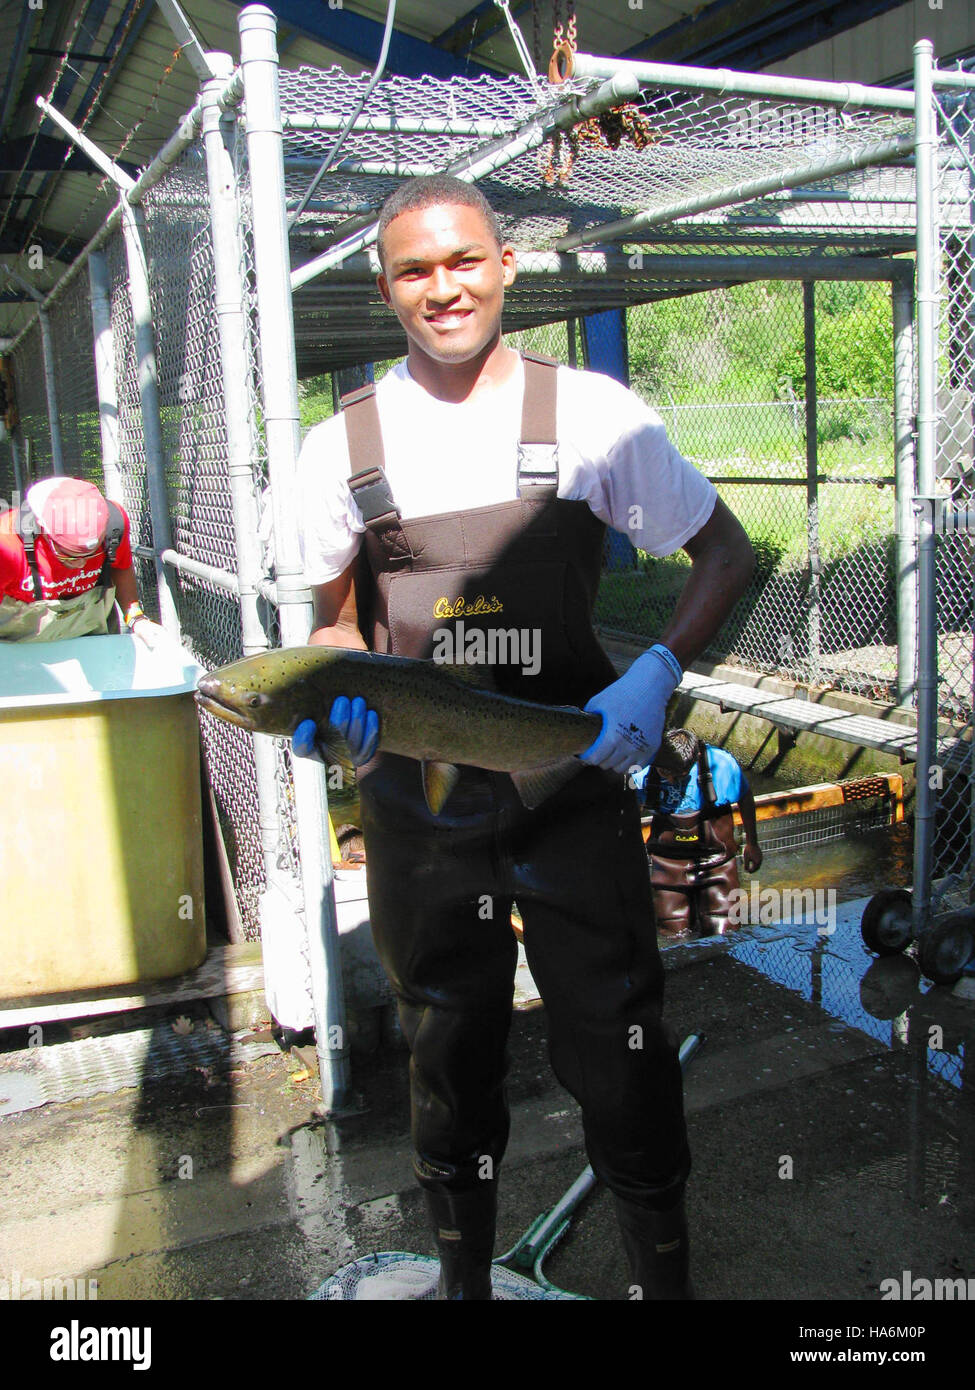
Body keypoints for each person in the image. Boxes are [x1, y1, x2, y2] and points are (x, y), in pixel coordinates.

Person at [293, 174, 755, 1299]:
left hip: (573, 785)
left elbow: (726, 554)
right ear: (386, 289)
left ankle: (663, 1281)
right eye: (414, 270)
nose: (442, 288)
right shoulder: (338, 446)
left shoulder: (594, 415)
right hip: (419, 807)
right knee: (446, 1053)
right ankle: (463, 1283)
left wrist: (656, 671)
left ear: (506, 264)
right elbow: (331, 621)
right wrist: (335, 697)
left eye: (464, 260)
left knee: (619, 1041)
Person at [0, 476, 160, 645]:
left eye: (91, 554)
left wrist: (136, 618)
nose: (81, 564)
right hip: (19, 645)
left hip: (90, 635)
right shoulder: (7, 546)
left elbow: (120, 566)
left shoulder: (114, 526)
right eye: (69, 555)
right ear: (43, 529)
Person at [636, 728, 763, 939]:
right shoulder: (642, 768)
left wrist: (752, 844)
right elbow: (631, 810)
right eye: (665, 772)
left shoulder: (721, 764)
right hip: (667, 865)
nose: (671, 780)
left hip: (717, 863)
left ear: (694, 760)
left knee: (723, 932)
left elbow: (745, 797)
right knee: (671, 933)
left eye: (679, 775)